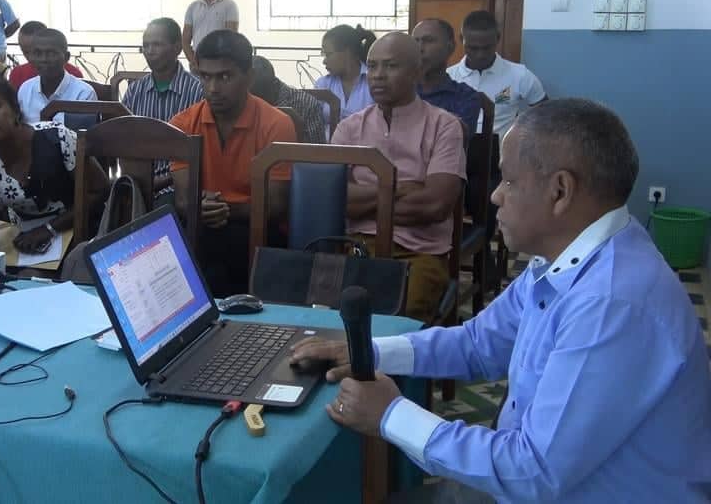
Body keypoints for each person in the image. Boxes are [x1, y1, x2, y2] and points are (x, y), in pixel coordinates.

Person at [291, 98, 711, 503]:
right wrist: (368, 352)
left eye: (508, 181)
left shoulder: (611, 302)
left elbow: (534, 472)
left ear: (560, 191)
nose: (494, 196)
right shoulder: (564, 260)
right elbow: (478, 342)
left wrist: (390, 415)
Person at [331, 33, 465, 324]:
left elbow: (434, 206)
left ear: (417, 72)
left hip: (418, 253)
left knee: (398, 323)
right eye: (373, 66)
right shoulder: (349, 128)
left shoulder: (444, 126)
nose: (378, 76)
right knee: (326, 316)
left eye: (390, 66)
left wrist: (364, 198)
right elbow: (336, 202)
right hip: (355, 246)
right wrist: (402, 188)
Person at [170, 30, 295, 296]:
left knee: (219, 252)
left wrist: (220, 209)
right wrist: (200, 208)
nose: (213, 88)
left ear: (248, 77)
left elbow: (276, 205)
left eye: (225, 77)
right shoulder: (182, 124)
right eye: (205, 76)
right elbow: (182, 199)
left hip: (259, 231)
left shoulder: (277, 124)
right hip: (202, 226)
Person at [0, 72, 108, 255]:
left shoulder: (58, 138)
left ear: (15, 109)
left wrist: (49, 229)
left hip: (80, 232)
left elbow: (100, 189)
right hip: (25, 243)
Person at [121, 17, 204, 199]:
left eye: (157, 45)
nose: (149, 51)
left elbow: (200, 154)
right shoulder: (135, 91)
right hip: (138, 184)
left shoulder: (197, 91)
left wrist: (157, 184)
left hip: (178, 185)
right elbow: (123, 144)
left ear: (177, 48)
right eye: (146, 45)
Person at [448, 10, 547, 138]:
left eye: (487, 48)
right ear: (462, 39)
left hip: (501, 155)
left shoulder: (520, 75)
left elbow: (547, 116)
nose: (480, 55)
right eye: (473, 48)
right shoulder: (448, 76)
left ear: (498, 38)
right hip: (456, 153)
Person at [412, 19, 482, 139]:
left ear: (450, 48)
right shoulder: (399, 90)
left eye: (428, 41)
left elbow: (451, 141)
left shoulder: (465, 97)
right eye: (415, 41)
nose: (419, 48)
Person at [16, 28, 97, 127]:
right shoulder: (25, 89)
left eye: (51, 53)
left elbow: (83, 138)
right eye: (38, 53)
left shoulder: (83, 93)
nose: (43, 59)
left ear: (66, 57)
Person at [251, 55, 327, 143]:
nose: (258, 102)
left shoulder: (307, 105)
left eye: (261, 96)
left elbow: (316, 152)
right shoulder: (238, 101)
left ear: (275, 85)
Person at [182, 0, 239, 72]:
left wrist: (219, 64)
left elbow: (231, 40)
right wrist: (194, 61)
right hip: (197, 66)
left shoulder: (230, 5)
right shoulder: (193, 7)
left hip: (220, 66)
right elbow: (185, 41)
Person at [315, 24, 377, 123]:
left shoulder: (374, 82)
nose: (324, 61)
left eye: (328, 54)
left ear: (347, 52)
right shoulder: (322, 85)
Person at [8, 21, 83, 90]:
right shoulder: (18, 73)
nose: (30, 57)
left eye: (37, 52)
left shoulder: (74, 74)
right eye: (25, 52)